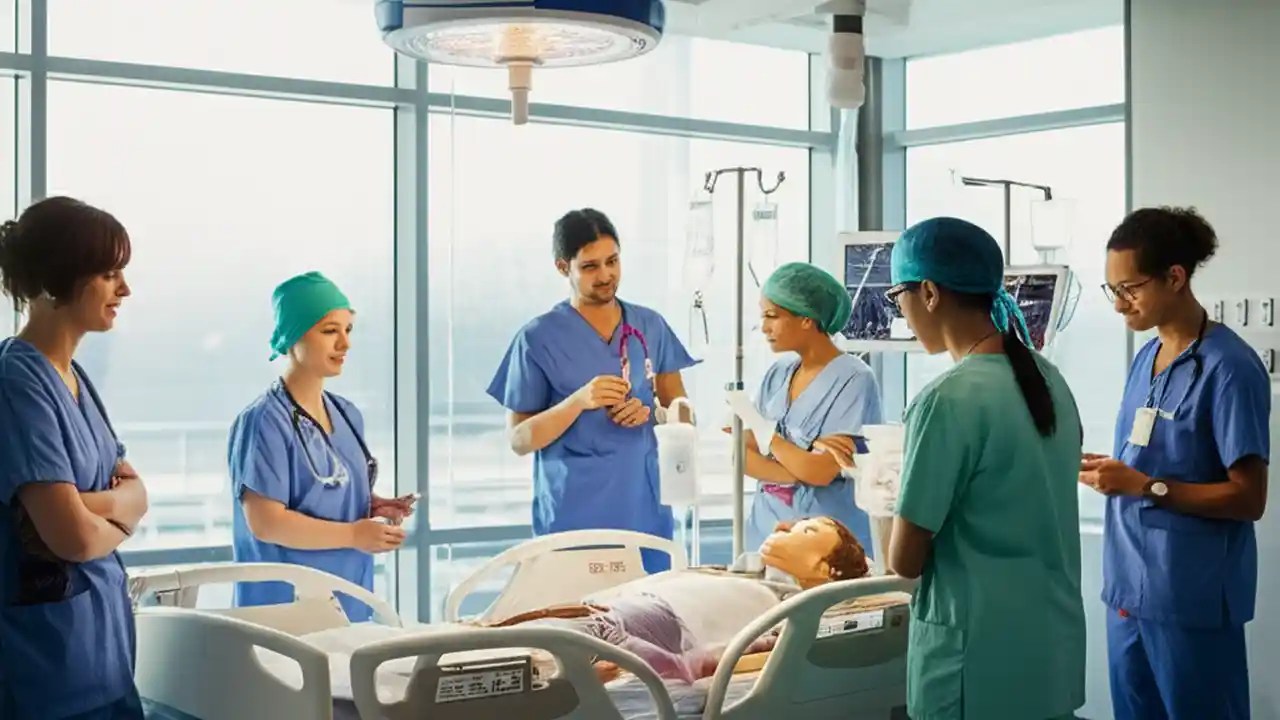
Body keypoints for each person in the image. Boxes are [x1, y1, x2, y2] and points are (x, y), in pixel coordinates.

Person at [885, 217, 1086, 720]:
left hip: (974, 661)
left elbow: (904, 560)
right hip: (1048, 652)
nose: (900, 311)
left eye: (897, 296)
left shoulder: (947, 400)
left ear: (929, 293)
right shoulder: (1050, 380)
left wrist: (886, 492)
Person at [1080, 207, 1269, 720]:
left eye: (1130, 289)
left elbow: (1249, 498)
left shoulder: (1229, 368)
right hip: (1127, 590)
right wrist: (1112, 472)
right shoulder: (1146, 358)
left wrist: (1145, 486)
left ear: (1175, 277)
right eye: (1112, 289)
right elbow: (1151, 457)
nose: (1119, 304)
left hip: (1191, 597)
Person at [0, 197, 149, 719]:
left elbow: (136, 490)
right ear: (56, 279)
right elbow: (75, 538)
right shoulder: (17, 382)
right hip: (48, 667)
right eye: (109, 275)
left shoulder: (74, 378)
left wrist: (94, 505)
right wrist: (122, 516)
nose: (124, 290)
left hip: (104, 657)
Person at [487, 209, 699, 572]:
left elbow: (683, 416)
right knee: (576, 605)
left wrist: (657, 414)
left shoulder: (650, 325)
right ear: (563, 267)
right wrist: (577, 402)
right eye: (590, 266)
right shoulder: (538, 339)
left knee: (651, 604)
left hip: (645, 513)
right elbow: (519, 440)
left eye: (612, 261)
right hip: (572, 519)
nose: (605, 275)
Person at [228, 272, 416, 622]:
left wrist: (371, 505)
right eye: (330, 331)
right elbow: (266, 523)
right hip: (283, 613)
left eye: (348, 330)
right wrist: (354, 534)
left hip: (350, 604)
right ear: (292, 335)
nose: (345, 344)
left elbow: (324, 490)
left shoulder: (346, 414)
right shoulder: (265, 421)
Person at [725, 262, 883, 554]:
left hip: (826, 545)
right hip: (766, 534)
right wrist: (797, 470)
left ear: (807, 319)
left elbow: (820, 472)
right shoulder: (779, 373)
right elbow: (740, 454)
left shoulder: (854, 379)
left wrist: (767, 435)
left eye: (772, 316)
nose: (764, 327)